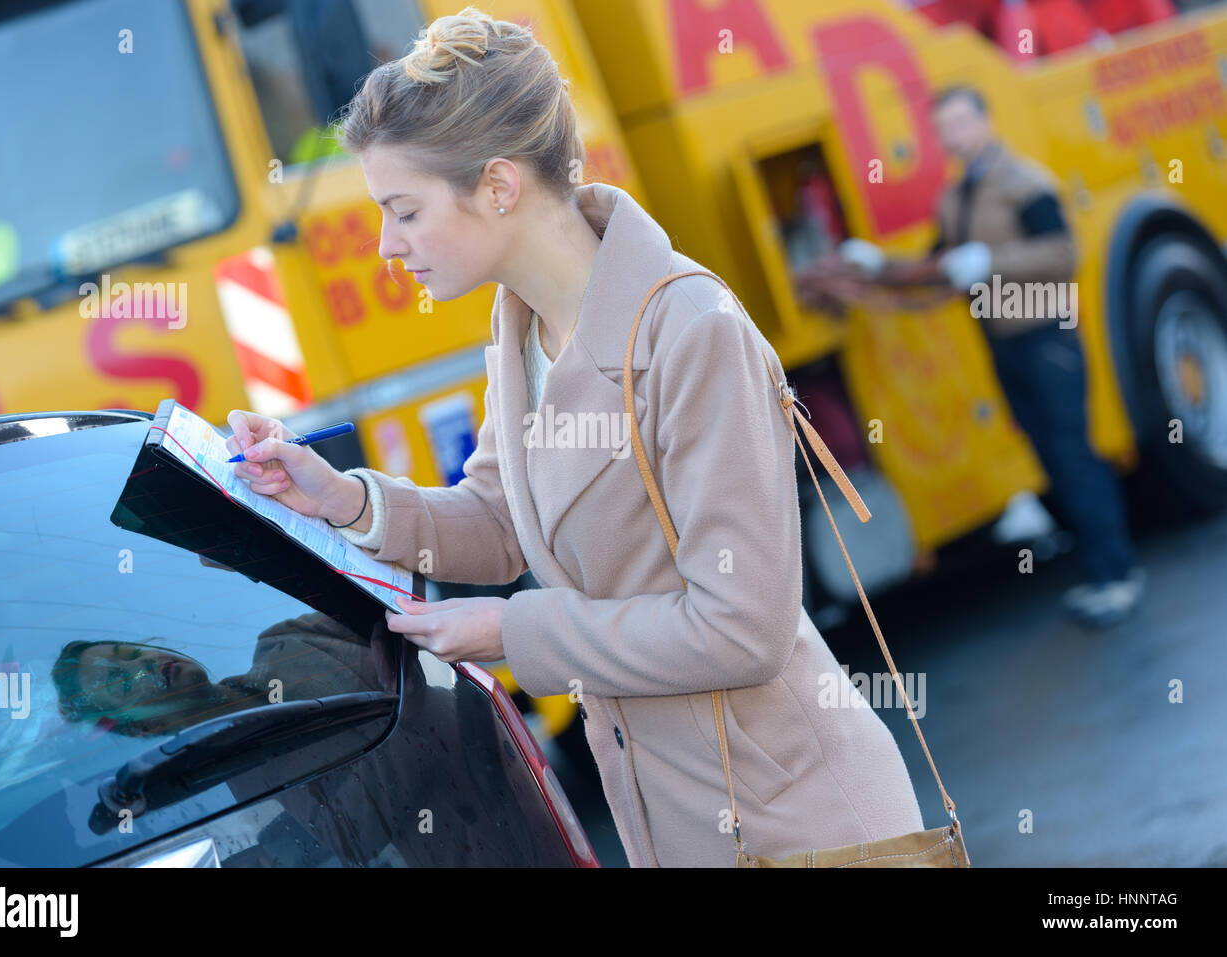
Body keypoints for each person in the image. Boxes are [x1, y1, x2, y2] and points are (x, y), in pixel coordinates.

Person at [224, 6, 927, 868]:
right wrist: (341, 496)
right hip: (680, 831)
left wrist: (517, 632)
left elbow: (745, 627)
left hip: (807, 829)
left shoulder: (690, 328)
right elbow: (499, 520)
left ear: (498, 185)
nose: (385, 244)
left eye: (403, 211)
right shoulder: (519, 328)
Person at [817, 84, 1144, 628]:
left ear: (985, 121)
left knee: (1072, 454)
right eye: (944, 127)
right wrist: (875, 265)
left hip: (1047, 338)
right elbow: (936, 266)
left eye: (963, 122)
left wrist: (991, 261)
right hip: (1004, 343)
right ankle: (1101, 570)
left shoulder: (1025, 183)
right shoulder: (955, 197)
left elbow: (1066, 253)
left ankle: (1118, 574)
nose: (954, 136)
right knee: (1047, 454)